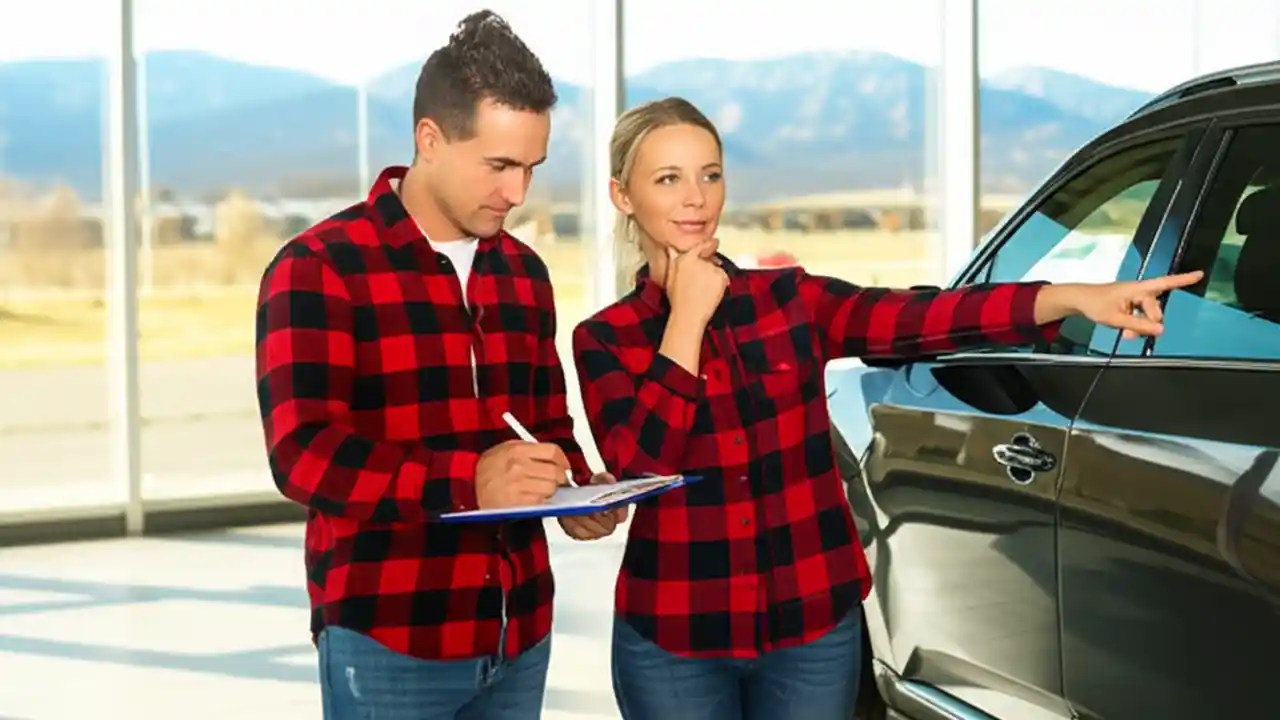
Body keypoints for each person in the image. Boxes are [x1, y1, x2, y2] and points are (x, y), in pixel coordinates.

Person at [569, 96, 1203, 720]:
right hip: (675, 640)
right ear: (624, 195)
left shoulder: (789, 299)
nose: (696, 198)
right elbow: (642, 464)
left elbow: (921, 318)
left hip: (812, 631)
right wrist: (686, 318)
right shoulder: (604, 339)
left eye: (710, 175)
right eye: (668, 179)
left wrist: (1070, 297)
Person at [254, 11, 616, 719]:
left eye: (531, 169)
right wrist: (468, 481)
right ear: (429, 140)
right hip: (389, 638)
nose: (517, 193)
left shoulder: (523, 273)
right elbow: (301, 456)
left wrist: (573, 486)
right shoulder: (319, 269)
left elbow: (542, 421)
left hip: (521, 628)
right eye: (499, 165)